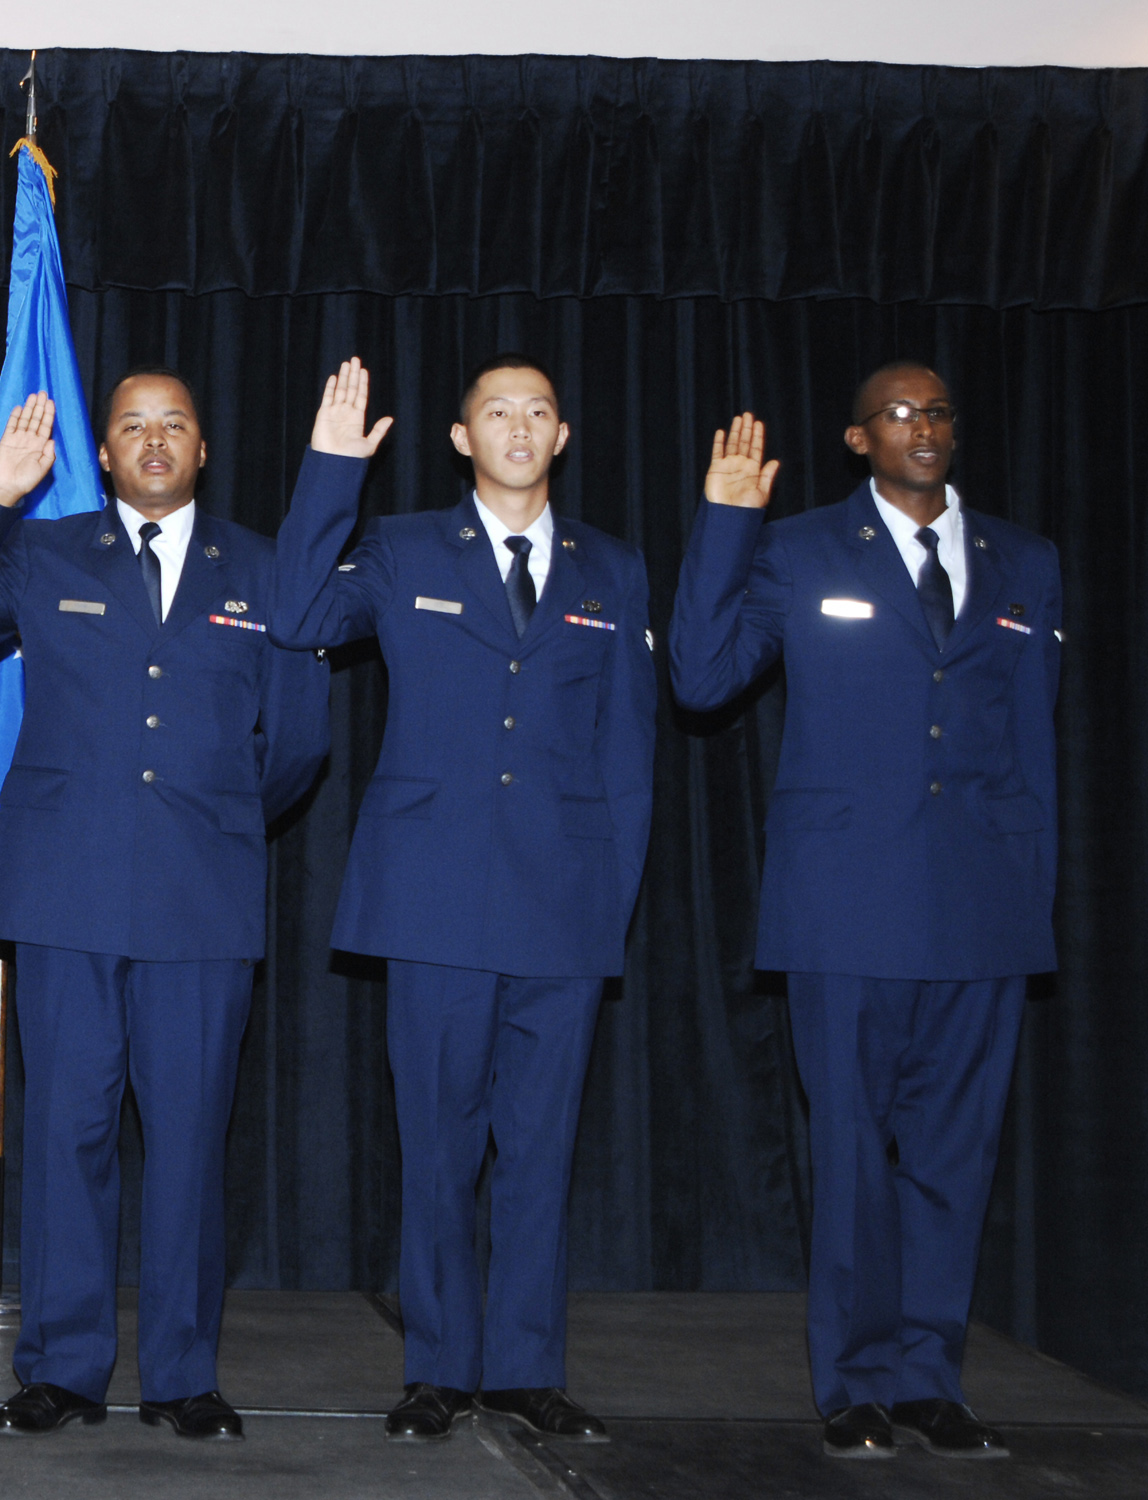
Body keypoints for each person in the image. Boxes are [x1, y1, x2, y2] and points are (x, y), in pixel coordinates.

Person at [0, 370, 328, 1441]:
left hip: (201, 898)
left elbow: (301, 739)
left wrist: (216, 812)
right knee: (69, 1134)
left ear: (203, 448)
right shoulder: (46, 553)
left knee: (188, 1143)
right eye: (132, 424)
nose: (151, 440)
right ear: (103, 451)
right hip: (64, 900)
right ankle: (64, 1370)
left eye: (173, 424)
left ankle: (183, 1375)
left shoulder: (266, 567)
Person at [668, 364, 1059, 1461]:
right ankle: (852, 1386)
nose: (922, 427)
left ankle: (931, 1380)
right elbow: (699, 678)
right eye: (899, 413)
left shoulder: (1027, 562)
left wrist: (1035, 901)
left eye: (938, 410)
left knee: (955, 1157)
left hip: (982, 908)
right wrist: (726, 524)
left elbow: (1036, 748)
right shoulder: (797, 550)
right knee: (850, 1156)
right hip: (845, 908)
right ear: (857, 438)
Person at [273, 356, 655, 1445]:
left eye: (538, 410)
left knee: (541, 1147)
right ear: (459, 437)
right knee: (439, 1142)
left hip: (563, 905)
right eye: (498, 411)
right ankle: (437, 1367)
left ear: (563, 433)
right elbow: (297, 614)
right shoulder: (400, 549)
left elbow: (630, 756)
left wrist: (608, 906)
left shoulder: (611, 570)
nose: (519, 427)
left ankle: (528, 1368)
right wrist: (331, 471)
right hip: (433, 896)